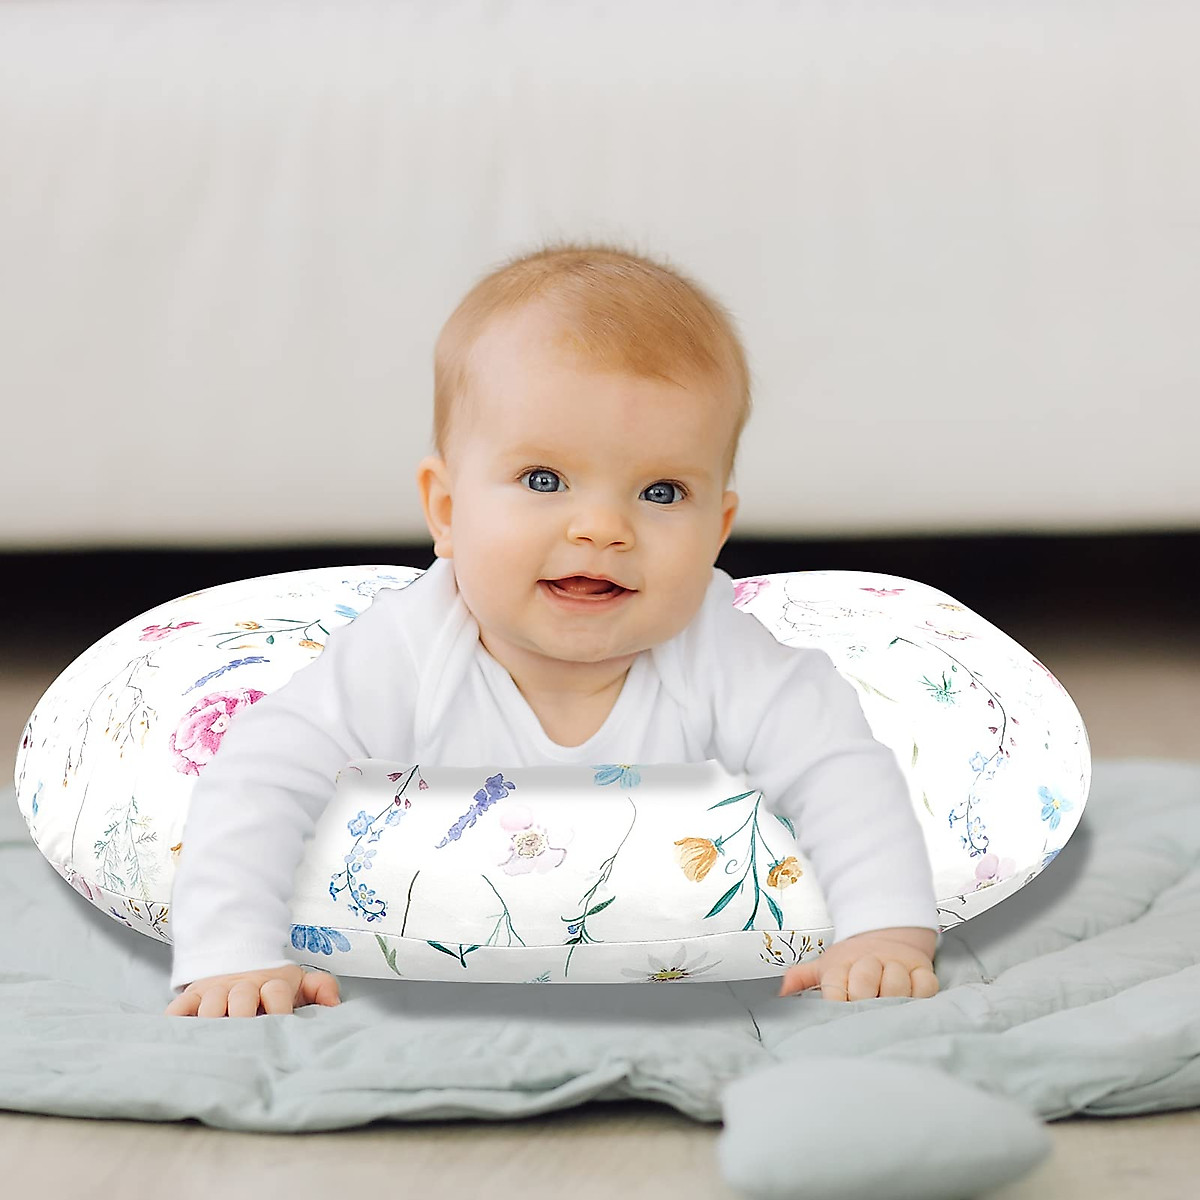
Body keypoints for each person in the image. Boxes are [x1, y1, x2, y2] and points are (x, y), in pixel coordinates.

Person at [164, 241, 941, 1018]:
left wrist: (883, 932)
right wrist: (233, 953)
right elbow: (262, 773)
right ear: (446, 509)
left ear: (718, 530)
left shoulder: (723, 654)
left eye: (662, 492)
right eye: (544, 480)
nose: (602, 528)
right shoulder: (408, 648)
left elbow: (841, 772)